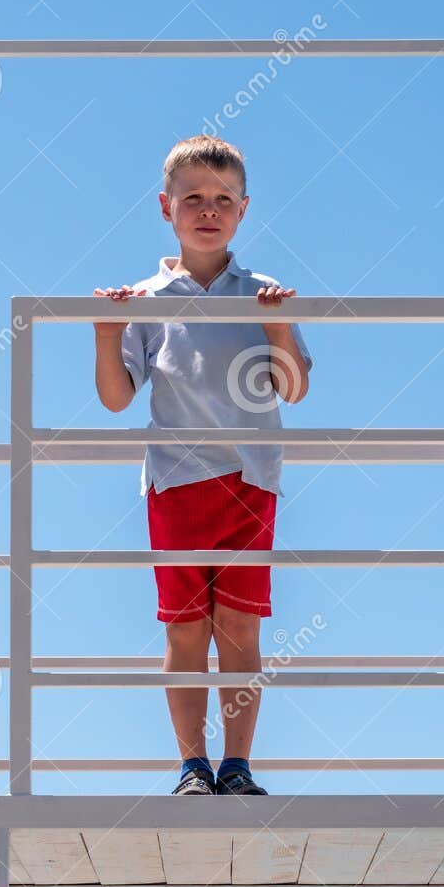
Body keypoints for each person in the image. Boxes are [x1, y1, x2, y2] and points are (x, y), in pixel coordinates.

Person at [92, 135, 313, 797]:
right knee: (186, 630)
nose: (207, 210)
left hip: (250, 480)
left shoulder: (263, 293)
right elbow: (115, 398)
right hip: (175, 484)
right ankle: (192, 766)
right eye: (193, 198)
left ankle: (236, 766)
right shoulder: (146, 298)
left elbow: (293, 389)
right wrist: (106, 334)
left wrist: (276, 330)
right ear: (166, 207)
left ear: (243, 210)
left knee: (240, 627)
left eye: (222, 200)